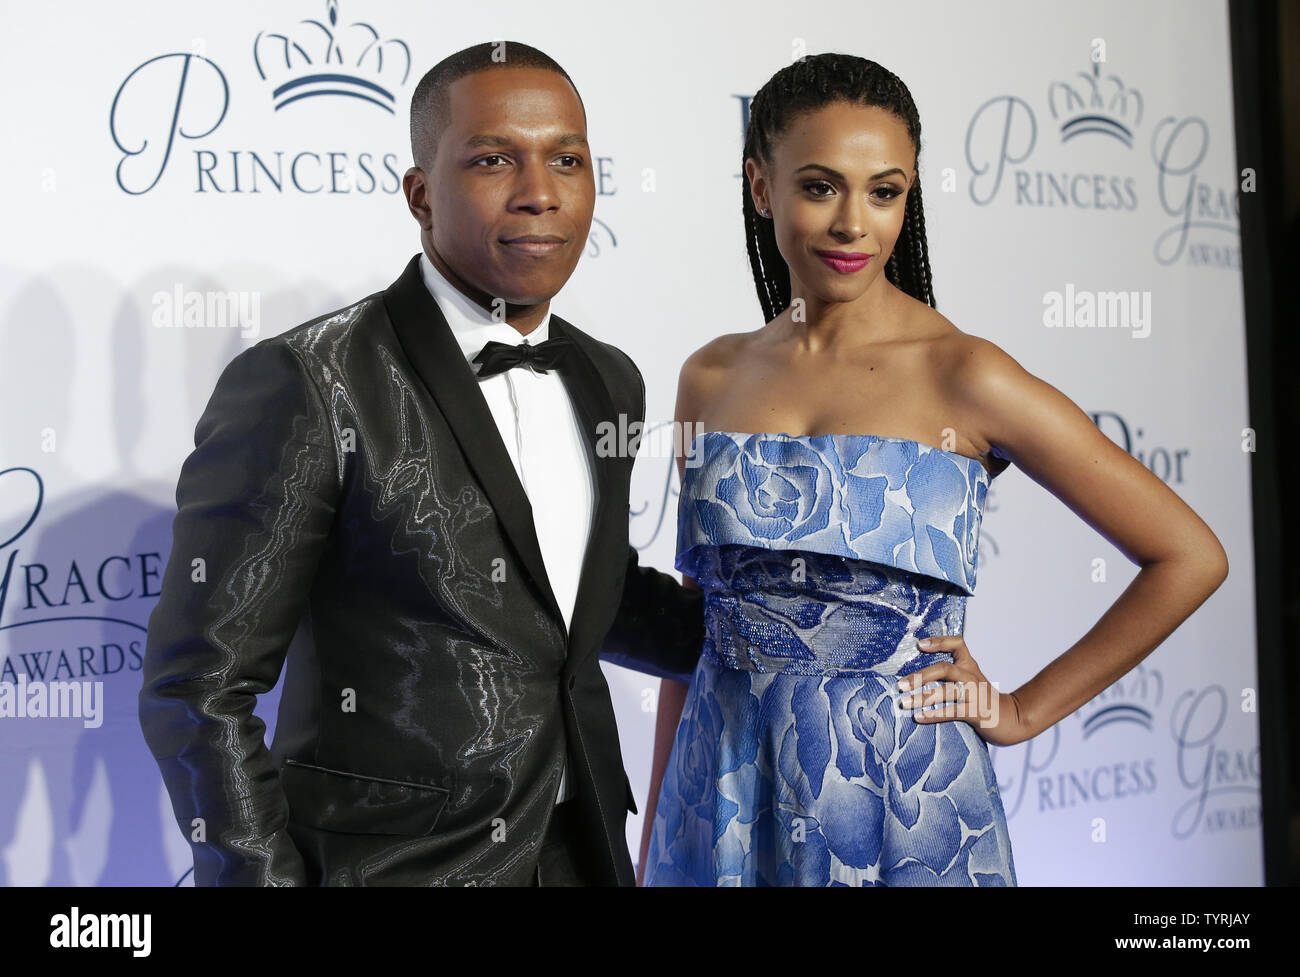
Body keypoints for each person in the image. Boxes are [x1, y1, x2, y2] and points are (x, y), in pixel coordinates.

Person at [637, 53, 1229, 886]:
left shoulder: (965, 373)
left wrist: (1022, 709)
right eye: (819, 186)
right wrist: (659, 827)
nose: (854, 223)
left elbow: (1190, 555)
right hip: (722, 788)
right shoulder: (711, 374)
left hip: (899, 790)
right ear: (760, 186)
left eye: (885, 192)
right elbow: (696, 626)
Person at [138, 40, 702, 887]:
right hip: (397, 866)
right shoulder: (311, 381)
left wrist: (797, 635)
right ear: (420, 193)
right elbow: (198, 686)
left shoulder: (606, 376)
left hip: (585, 855)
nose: (540, 191)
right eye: (492, 159)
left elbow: (584, 596)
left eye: (567, 159)